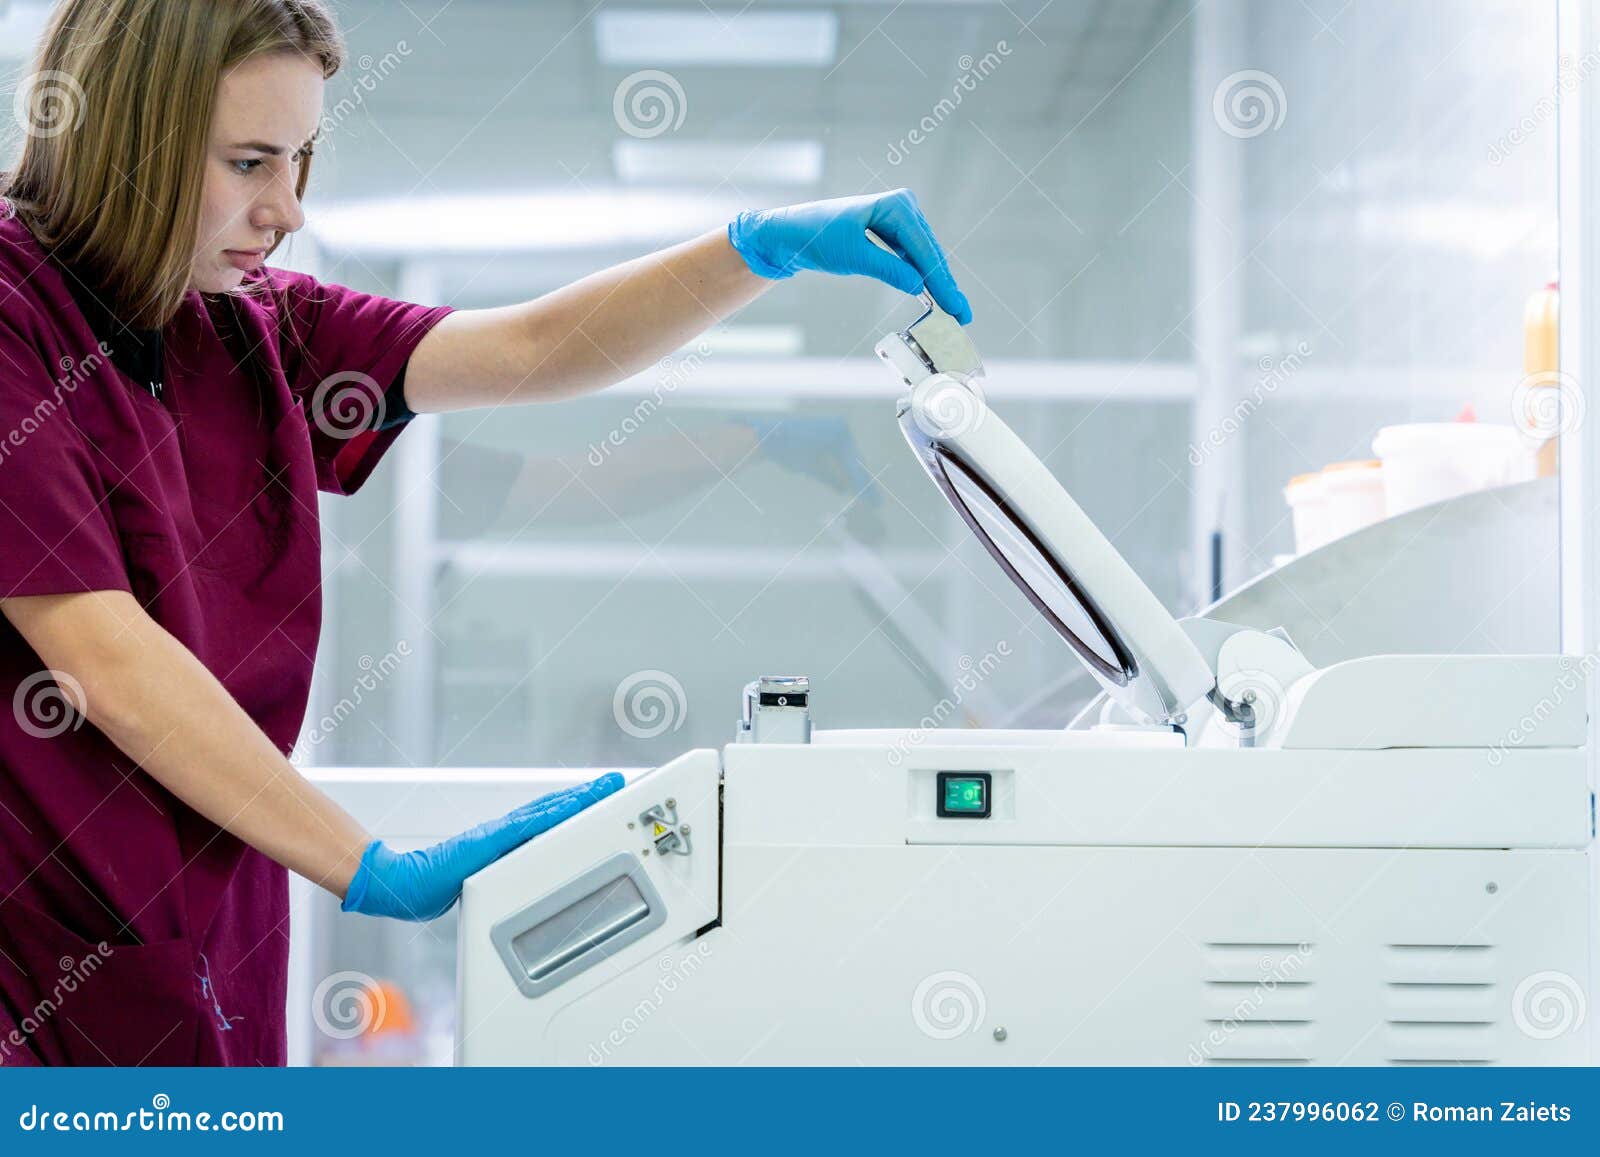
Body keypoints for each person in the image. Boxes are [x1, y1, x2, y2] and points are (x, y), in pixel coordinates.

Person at [0, 0, 972, 1066]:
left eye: (299, 161)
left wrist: (753, 250)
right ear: (125, 137)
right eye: (248, 162)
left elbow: (533, 349)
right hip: (39, 948)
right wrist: (373, 867)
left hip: (210, 926)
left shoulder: (247, 324)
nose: (286, 209)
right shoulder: (14, 319)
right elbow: (104, 654)